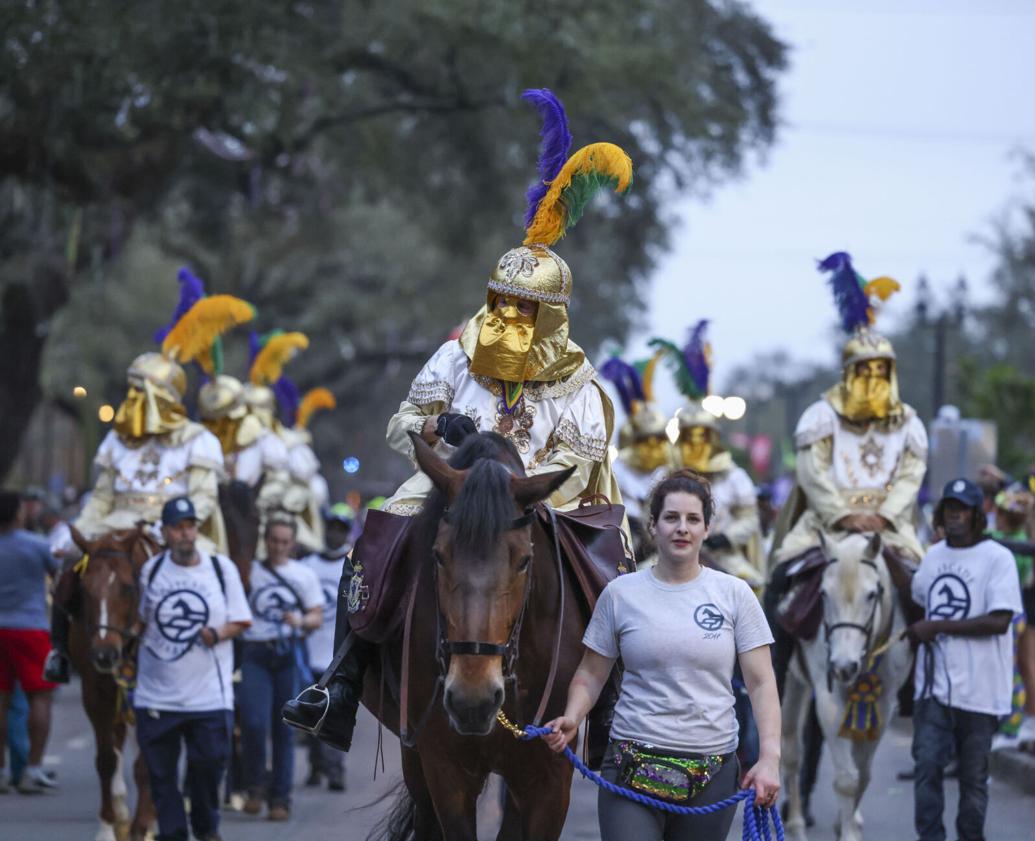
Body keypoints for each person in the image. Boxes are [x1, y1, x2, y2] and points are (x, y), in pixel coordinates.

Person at [284, 87, 634, 752]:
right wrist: (432, 429)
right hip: (446, 485)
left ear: (551, 315)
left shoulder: (581, 381)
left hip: (542, 501)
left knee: (617, 568)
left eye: (524, 307)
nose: (508, 316)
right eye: (501, 301)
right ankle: (342, 682)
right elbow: (402, 421)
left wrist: (510, 483)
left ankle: (613, 708)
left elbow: (579, 460)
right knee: (373, 541)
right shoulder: (455, 355)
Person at [764, 253, 925, 822]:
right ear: (848, 370)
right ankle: (775, 669)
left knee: (922, 588)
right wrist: (843, 515)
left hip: (891, 526)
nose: (873, 378)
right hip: (825, 525)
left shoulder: (909, 422)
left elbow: (910, 476)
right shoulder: (820, 415)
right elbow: (813, 474)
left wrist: (884, 515)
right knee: (781, 579)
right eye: (864, 369)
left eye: (882, 369)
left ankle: (917, 688)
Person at [543, 471, 780, 841]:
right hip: (630, 766)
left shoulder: (735, 594)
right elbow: (590, 674)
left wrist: (769, 760)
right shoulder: (620, 593)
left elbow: (762, 683)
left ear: (706, 528)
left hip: (713, 773)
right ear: (653, 526)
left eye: (693, 519)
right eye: (671, 517)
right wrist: (573, 715)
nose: (682, 528)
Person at [44, 349, 228, 684]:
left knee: (216, 572)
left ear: (163, 396)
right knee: (69, 565)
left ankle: (229, 654)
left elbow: (204, 498)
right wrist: (79, 530)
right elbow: (102, 498)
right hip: (115, 524)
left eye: (140, 391)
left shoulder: (198, 439)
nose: (133, 398)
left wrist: (170, 529)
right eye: (132, 390)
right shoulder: (118, 438)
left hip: (173, 526)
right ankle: (60, 651)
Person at [892, 478, 1022, 841]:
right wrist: (887, 555)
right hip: (933, 689)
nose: (954, 516)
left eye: (962, 509)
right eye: (949, 508)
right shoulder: (934, 556)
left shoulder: (998, 558)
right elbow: (917, 596)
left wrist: (936, 626)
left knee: (973, 779)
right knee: (926, 768)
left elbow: (999, 621)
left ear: (977, 515)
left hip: (981, 691)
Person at [134, 496, 251, 841]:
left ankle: (205, 826)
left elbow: (241, 619)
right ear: (165, 532)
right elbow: (139, 621)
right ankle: (173, 834)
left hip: (209, 696)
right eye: (177, 528)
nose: (185, 534)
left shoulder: (220, 569)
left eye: (190, 526)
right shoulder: (151, 570)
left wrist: (217, 633)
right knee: (161, 778)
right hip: (157, 695)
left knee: (209, 766)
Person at [652, 321, 763, 587]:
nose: (696, 441)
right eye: (690, 435)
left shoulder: (734, 475)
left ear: (713, 437)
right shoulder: (663, 474)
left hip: (723, 555)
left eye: (703, 434)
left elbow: (749, 517)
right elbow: (651, 518)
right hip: (668, 556)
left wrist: (725, 537)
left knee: (754, 585)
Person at [239, 517, 323, 820]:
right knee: (253, 723)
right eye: (274, 540)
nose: (278, 547)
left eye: (285, 542)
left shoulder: (304, 575)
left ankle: (280, 798)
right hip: (255, 653)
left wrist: (300, 621)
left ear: (293, 544)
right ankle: (255, 786)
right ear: (266, 540)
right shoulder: (249, 571)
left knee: (284, 729)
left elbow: (316, 615)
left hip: (287, 655)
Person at [0, 488, 59, 793]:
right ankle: (32, 769)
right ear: (18, 513)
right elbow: (59, 576)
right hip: (31, 628)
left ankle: (1, 770)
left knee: (2, 700)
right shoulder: (37, 545)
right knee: (40, 697)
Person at [300, 503, 354, 791]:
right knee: (309, 713)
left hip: (337, 655)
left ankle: (335, 770)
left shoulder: (354, 564)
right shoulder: (308, 564)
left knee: (332, 715)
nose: (335, 533)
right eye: (331, 527)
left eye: (340, 529)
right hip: (307, 654)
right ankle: (316, 767)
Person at [600, 352, 674, 556]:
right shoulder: (617, 471)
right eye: (645, 439)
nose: (652, 445)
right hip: (625, 545)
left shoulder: (670, 471)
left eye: (657, 439)